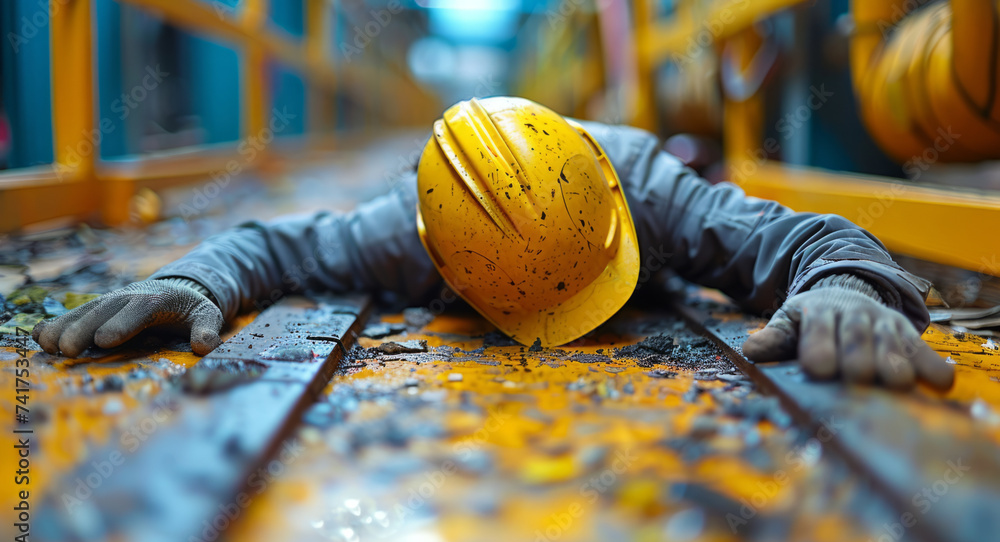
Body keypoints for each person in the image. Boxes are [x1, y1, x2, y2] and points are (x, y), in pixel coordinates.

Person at [32, 97, 953, 390]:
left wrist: (846, 289)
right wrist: (196, 273)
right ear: (444, 266)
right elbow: (271, 245)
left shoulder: (643, 188)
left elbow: (805, 240)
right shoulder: (407, 233)